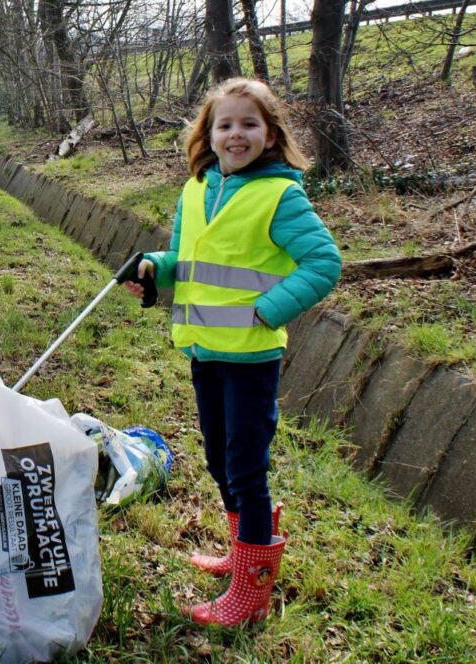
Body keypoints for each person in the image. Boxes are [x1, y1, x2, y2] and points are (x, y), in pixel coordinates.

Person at [123, 77, 340, 626]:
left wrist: (269, 311)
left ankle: (251, 593)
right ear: (208, 134)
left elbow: (324, 264)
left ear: (270, 136)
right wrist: (155, 264)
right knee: (221, 458)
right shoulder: (195, 190)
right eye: (225, 124)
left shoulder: (280, 194)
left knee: (246, 468)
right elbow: (182, 257)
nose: (235, 134)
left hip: (251, 360)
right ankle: (244, 546)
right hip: (204, 351)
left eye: (249, 124)